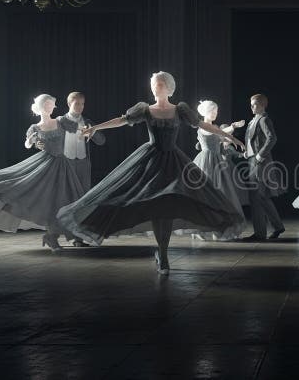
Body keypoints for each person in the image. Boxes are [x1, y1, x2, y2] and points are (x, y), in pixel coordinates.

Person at [57, 72, 245, 274]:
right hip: (151, 161)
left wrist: (230, 137)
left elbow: (203, 124)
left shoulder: (179, 109)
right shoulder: (145, 109)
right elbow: (122, 120)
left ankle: (162, 252)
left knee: (167, 208)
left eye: (160, 84)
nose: (156, 87)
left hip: (173, 162)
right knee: (156, 208)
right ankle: (162, 255)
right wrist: (96, 127)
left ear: (169, 87)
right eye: (154, 84)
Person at [0, 94, 86, 251]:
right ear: (40, 107)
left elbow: (79, 128)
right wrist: (31, 141)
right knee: (46, 199)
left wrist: (88, 130)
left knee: (64, 200)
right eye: (46, 104)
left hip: (62, 165)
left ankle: (53, 236)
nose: (50, 107)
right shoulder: (35, 128)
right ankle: (52, 237)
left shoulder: (60, 121)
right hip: (45, 165)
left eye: (51, 104)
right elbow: (27, 143)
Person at [192, 100, 247, 240]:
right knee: (206, 195)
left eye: (216, 111)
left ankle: (218, 229)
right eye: (212, 111)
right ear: (205, 112)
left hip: (217, 161)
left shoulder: (214, 127)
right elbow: (219, 132)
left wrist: (232, 133)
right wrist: (234, 137)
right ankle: (201, 229)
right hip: (207, 161)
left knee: (220, 194)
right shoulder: (202, 125)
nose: (215, 114)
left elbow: (220, 135)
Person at [57, 91, 106, 247]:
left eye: (82, 104)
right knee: (66, 198)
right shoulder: (60, 121)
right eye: (77, 103)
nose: (80, 107)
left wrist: (93, 132)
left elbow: (101, 141)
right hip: (66, 164)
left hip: (83, 164)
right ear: (69, 104)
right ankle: (56, 235)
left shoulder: (87, 121)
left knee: (83, 200)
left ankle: (78, 238)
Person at [240, 94, 286, 241]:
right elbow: (252, 140)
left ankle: (261, 233)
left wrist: (259, 155)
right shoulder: (252, 121)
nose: (251, 107)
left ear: (262, 105)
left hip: (260, 162)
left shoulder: (264, 119)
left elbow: (272, 138)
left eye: (254, 104)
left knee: (257, 196)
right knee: (260, 197)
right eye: (251, 104)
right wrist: (247, 152)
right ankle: (276, 227)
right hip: (252, 160)